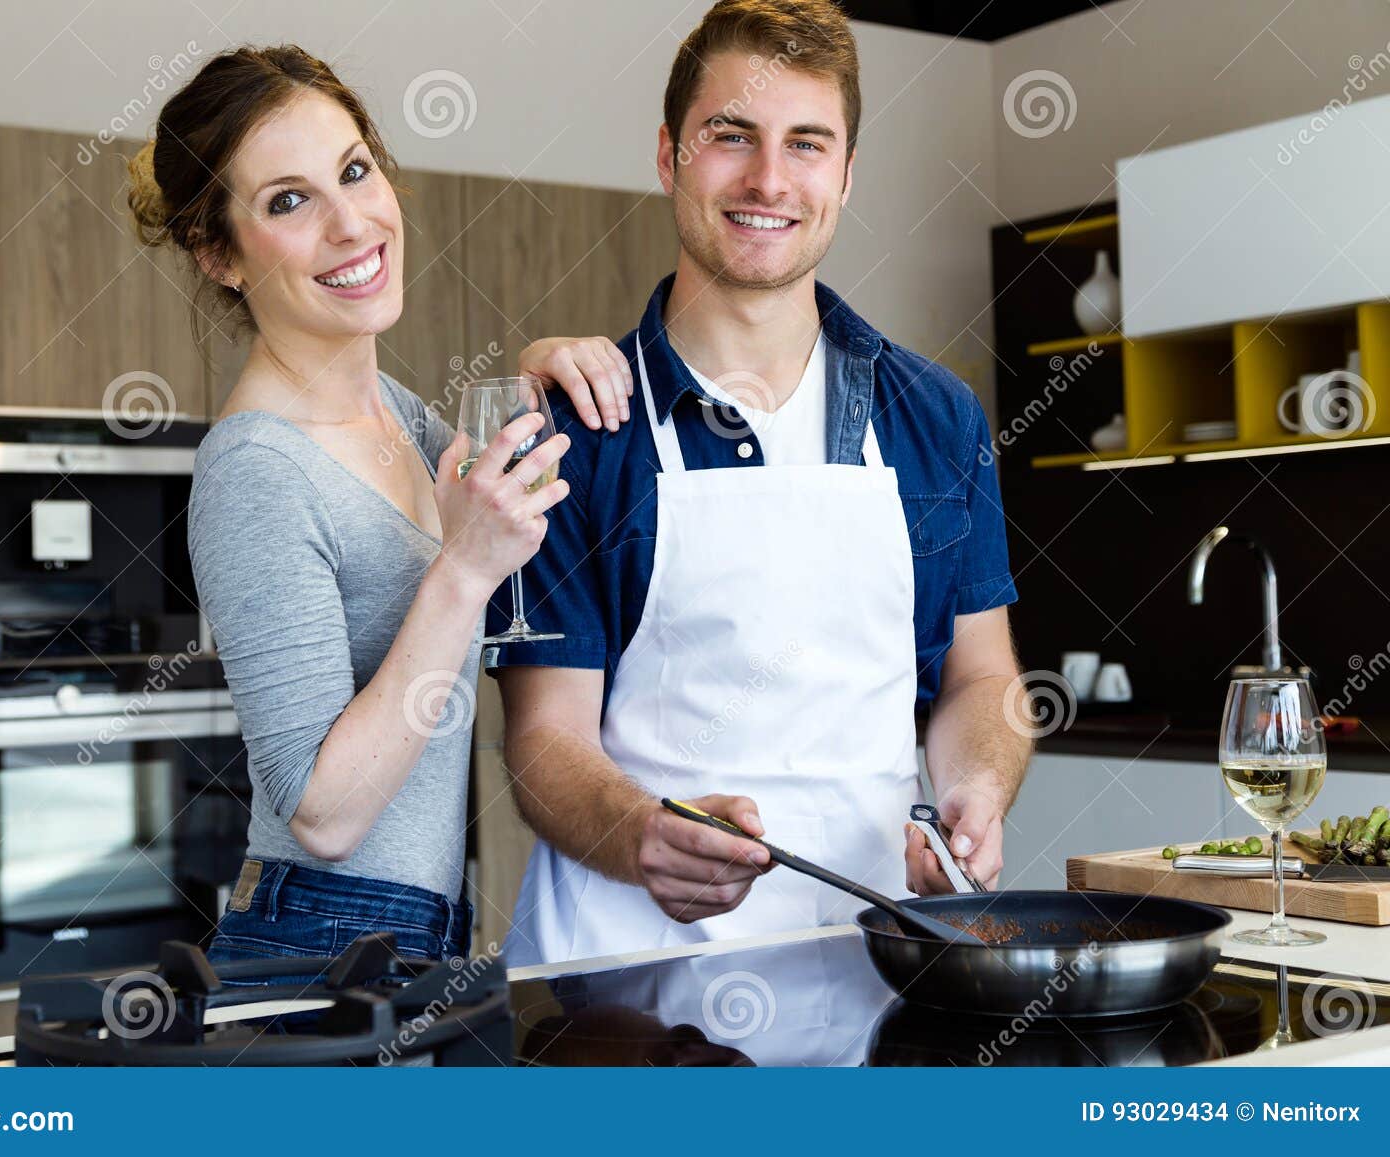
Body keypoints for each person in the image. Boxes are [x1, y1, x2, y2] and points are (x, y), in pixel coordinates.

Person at [489, 0, 1032, 968]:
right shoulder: (575, 426)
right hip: (627, 981)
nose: (769, 179)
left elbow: (982, 677)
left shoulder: (935, 417)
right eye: (729, 137)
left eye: (807, 144)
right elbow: (541, 734)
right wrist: (636, 830)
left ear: (846, 173)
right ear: (669, 156)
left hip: (877, 965)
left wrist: (977, 788)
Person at [126, 44, 632, 974]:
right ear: (218, 254)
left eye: (354, 171)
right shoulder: (255, 468)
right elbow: (323, 811)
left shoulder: (398, 414)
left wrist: (545, 369)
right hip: (317, 937)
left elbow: (498, 506)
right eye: (288, 201)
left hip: (407, 930)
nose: (352, 222)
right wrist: (466, 569)